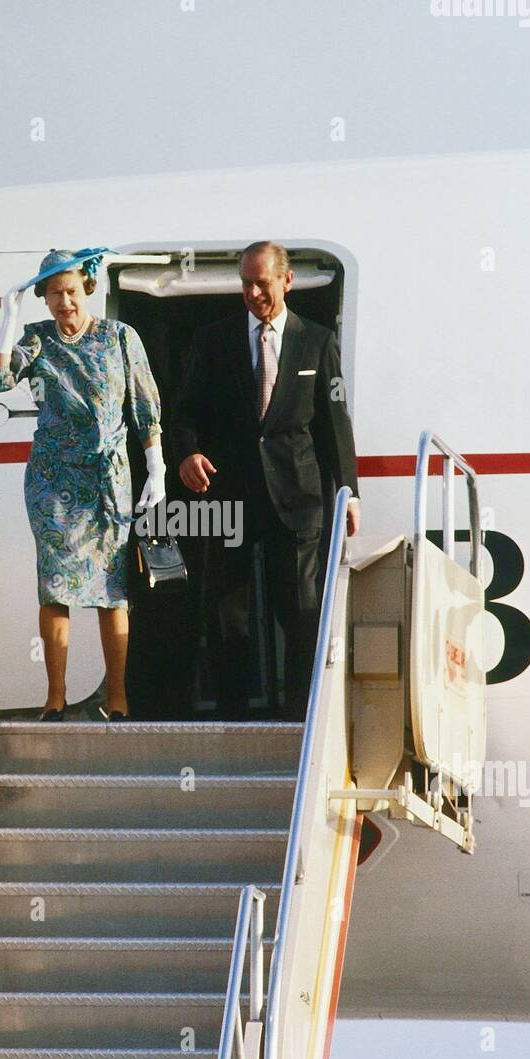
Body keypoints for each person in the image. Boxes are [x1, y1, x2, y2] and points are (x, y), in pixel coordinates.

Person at [173, 240, 359, 720]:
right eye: (246, 283)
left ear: (287, 281)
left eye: (263, 283)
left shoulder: (316, 341)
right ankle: (233, 718)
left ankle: (302, 716)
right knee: (227, 613)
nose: (254, 292)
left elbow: (335, 424)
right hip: (228, 492)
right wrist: (187, 452)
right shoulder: (213, 340)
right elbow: (186, 410)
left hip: (298, 494)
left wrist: (349, 493)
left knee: (299, 610)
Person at [0, 248, 164, 721]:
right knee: (55, 587)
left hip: (108, 480)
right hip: (53, 481)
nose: (65, 301)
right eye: (54, 293)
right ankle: (55, 697)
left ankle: (118, 696)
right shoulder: (37, 340)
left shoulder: (120, 337)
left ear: (88, 287)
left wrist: (157, 467)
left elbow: (145, 407)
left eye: (71, 290)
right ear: (44, 299)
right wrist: (9, 315)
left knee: (111, 589)